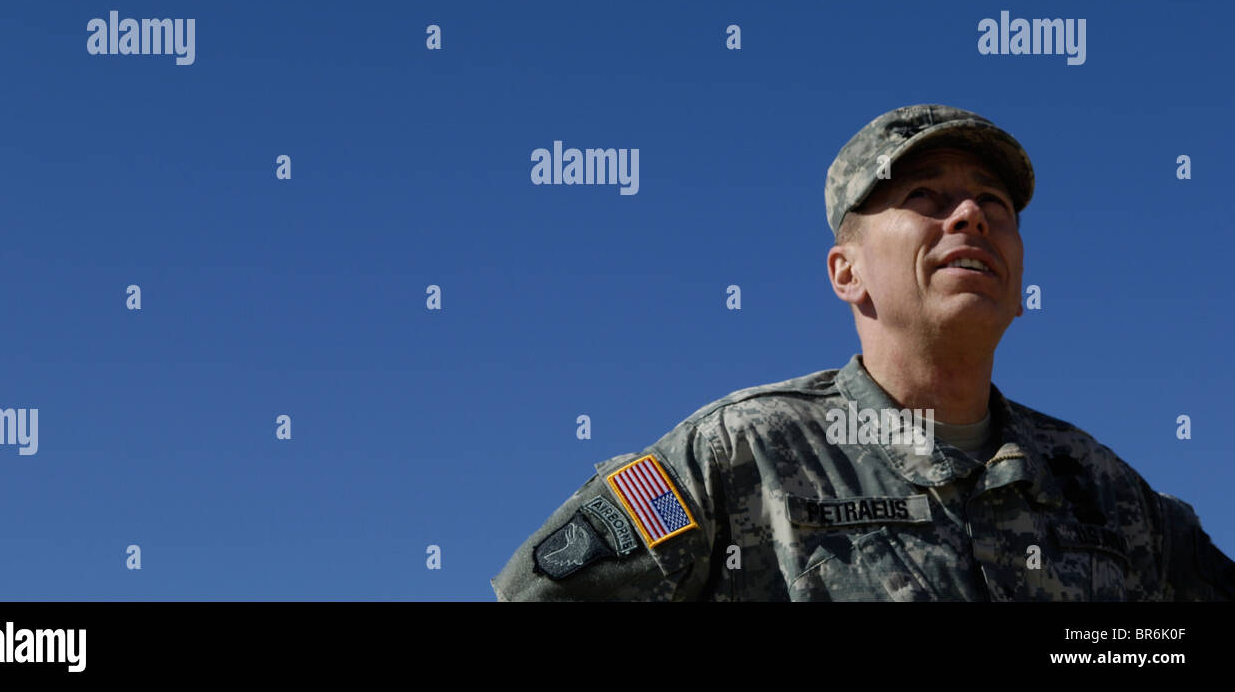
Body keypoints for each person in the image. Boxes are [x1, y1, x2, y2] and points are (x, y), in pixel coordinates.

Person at [491, 104, 1235, 601]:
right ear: (846, 271)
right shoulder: (743, 453)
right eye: (925, 197)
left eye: (993, 205)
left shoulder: (1111, 496)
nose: (970, 213)